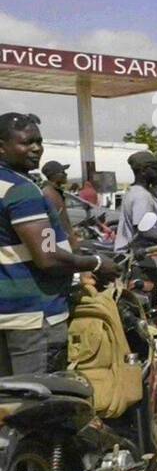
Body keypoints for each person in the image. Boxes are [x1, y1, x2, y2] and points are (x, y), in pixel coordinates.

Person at [0, 113, 118, 374]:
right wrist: (96, 263)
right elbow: (48, 256)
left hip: (7, 313)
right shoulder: (21, 190)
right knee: (38, 402)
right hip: (32, 317)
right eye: (26, 143)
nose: (36, 148)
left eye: (39, 141)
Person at [115, 152, 157, 250]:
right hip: (135, 258)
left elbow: (154, 227)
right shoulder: (141, 196)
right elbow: (145, 231)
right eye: (154, 168)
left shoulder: (136, 192)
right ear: (144, 171)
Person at [40, 160, 76, 243]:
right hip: (61, 242)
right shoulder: (49, 193)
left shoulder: (55, 191)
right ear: (54, 175)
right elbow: (57, 222)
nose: (66, 174)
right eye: (63, 172)